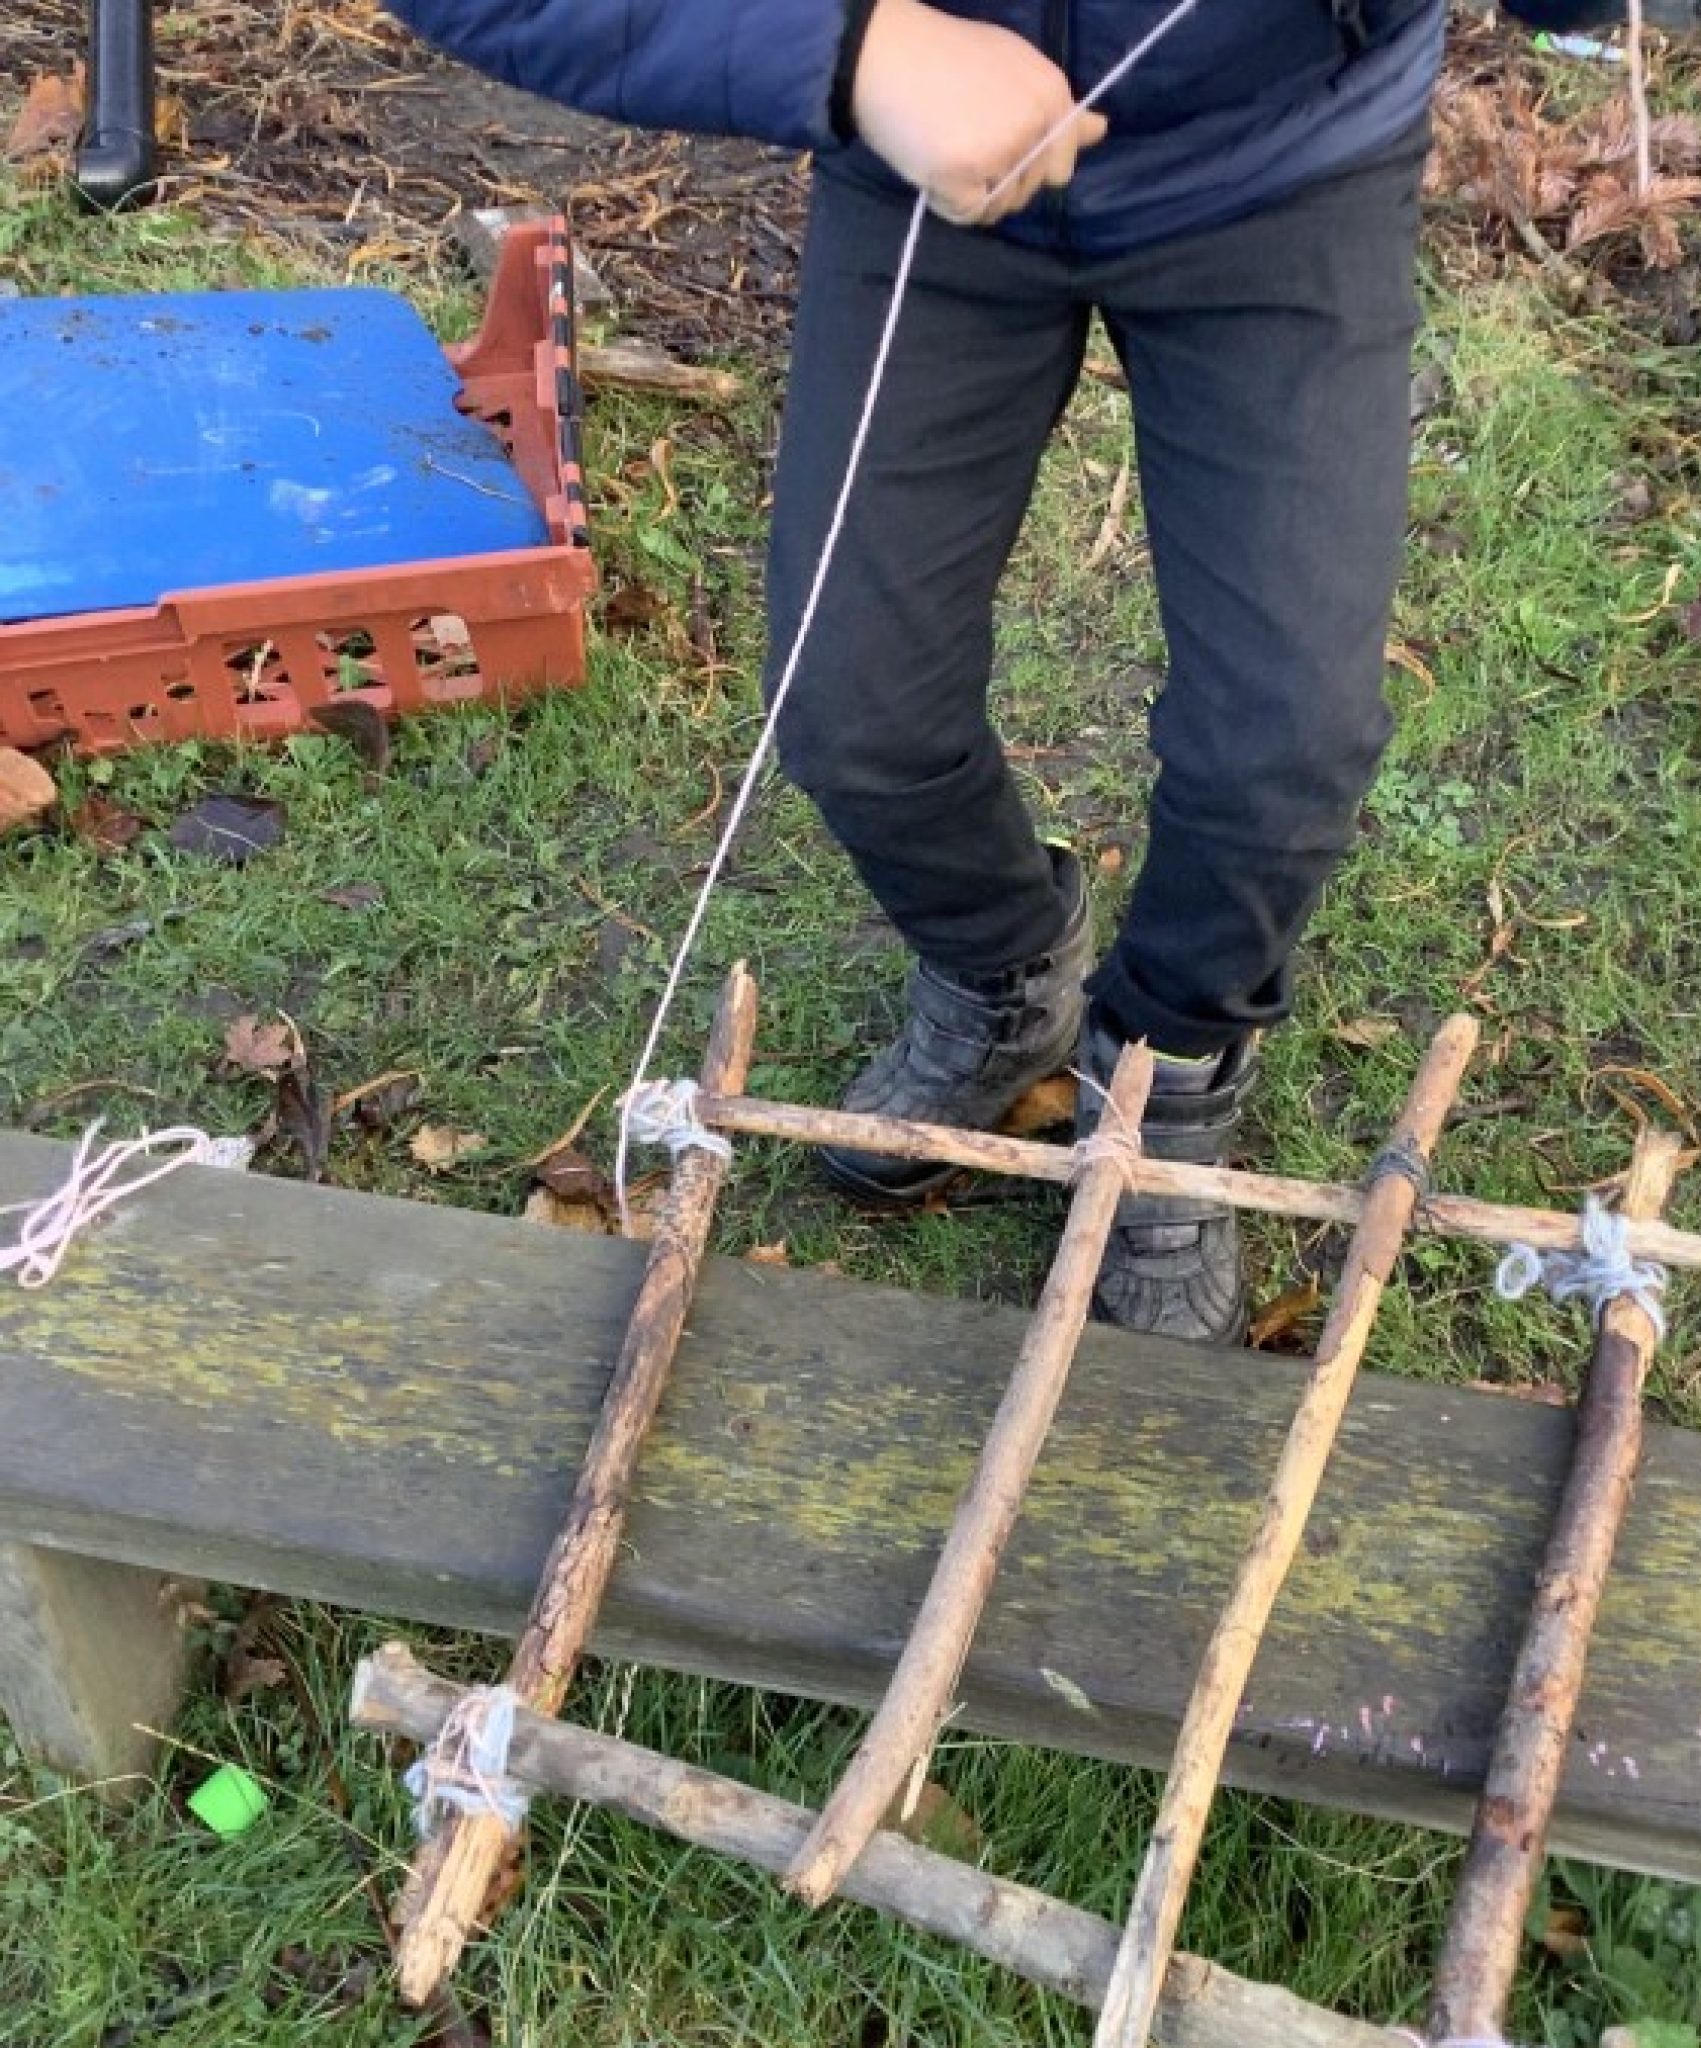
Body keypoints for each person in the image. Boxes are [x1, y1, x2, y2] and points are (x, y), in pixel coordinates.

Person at [387, 0, 1618, 1342]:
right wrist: (853, 54)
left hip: (1281, 163)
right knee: (854, 707)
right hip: (921, 163)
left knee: (1281, 748)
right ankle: (1003, 973)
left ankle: (1172, 1058)